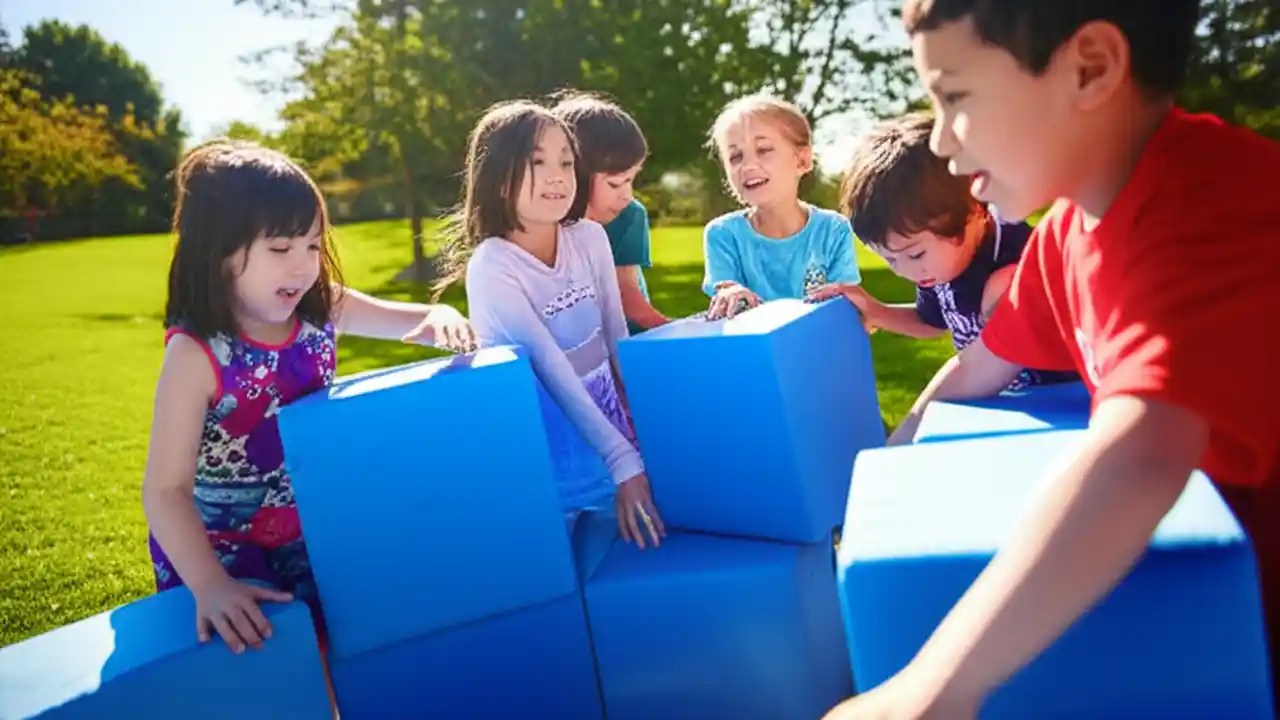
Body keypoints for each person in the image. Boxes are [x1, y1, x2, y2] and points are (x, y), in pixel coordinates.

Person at [823, 1, 1280, 717]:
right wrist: (891, 458)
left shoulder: (1206, 202)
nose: (941, 141)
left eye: (955, 97)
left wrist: (929, 693)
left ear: (1090, 68)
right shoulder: (1068, 232)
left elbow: (1142, 455)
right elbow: (978, 366)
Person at [142, 140, 476, 656]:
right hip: (221, 558)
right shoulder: (196, 354)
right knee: (271, 680)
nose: (303, 267)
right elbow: (165, 491)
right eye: (280, 249)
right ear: (221, 252)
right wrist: (211, 585)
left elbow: (414, 322)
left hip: (309, 534)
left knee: (344, 657)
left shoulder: (320, 310)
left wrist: (442, 318)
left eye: (314, 246)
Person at [435, 100, 665, 549]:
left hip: (609, 427)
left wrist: (642, 427)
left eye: (566, 160)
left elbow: (616, 337)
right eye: (537, 161)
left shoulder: (590, 238)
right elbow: (551, 371)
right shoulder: (493, 266)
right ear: (498, 177)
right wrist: (621, 460)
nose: (558, 174)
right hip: (545, 447)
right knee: (564, 574)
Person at [810, 111, 1076, 389]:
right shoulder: (938, 268)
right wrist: (876, 311)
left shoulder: (1015, 254)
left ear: (974, 211)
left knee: (1002, 288)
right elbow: (932, 321)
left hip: (1066, 396)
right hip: (1006, 400)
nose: (905, 271)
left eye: (915, 255)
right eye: (889, 258)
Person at [701, 94, 861, 320]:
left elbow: (846, 303)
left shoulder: (833, 229)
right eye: (735, 156)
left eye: (764, 150)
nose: (748, 166)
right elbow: (725, 287)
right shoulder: (723, 234)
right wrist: (729, 291)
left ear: (802, 160)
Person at [552, 92, 668, 335]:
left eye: (631, 180)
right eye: (615, 183)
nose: (627, 194)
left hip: (631, 340)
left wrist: (679, 331)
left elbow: (629, 299)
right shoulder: (546, 227)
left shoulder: (629, 215)